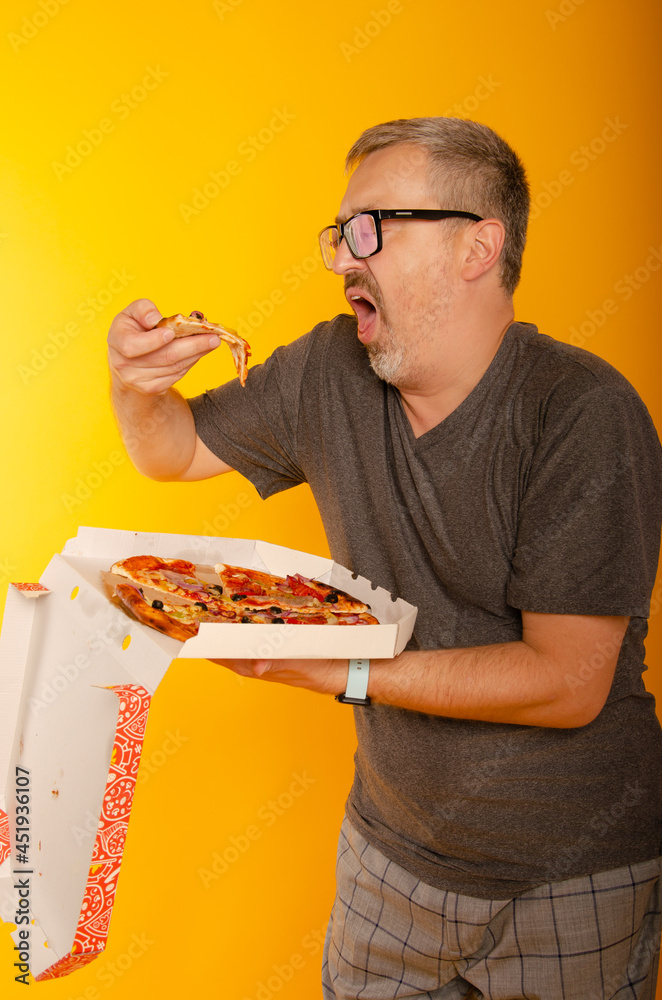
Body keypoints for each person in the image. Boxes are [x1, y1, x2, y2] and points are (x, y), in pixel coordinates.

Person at [107, 117, 662, 999]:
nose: (340, 260)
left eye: (371, 229)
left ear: (480, 245)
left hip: (569, 879)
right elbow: (170, 450)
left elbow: (568, 681)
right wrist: (137, 388)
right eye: (339, 233)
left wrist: (343, 670)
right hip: (386, 860)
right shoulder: (329, 369)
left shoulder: (582, 413)